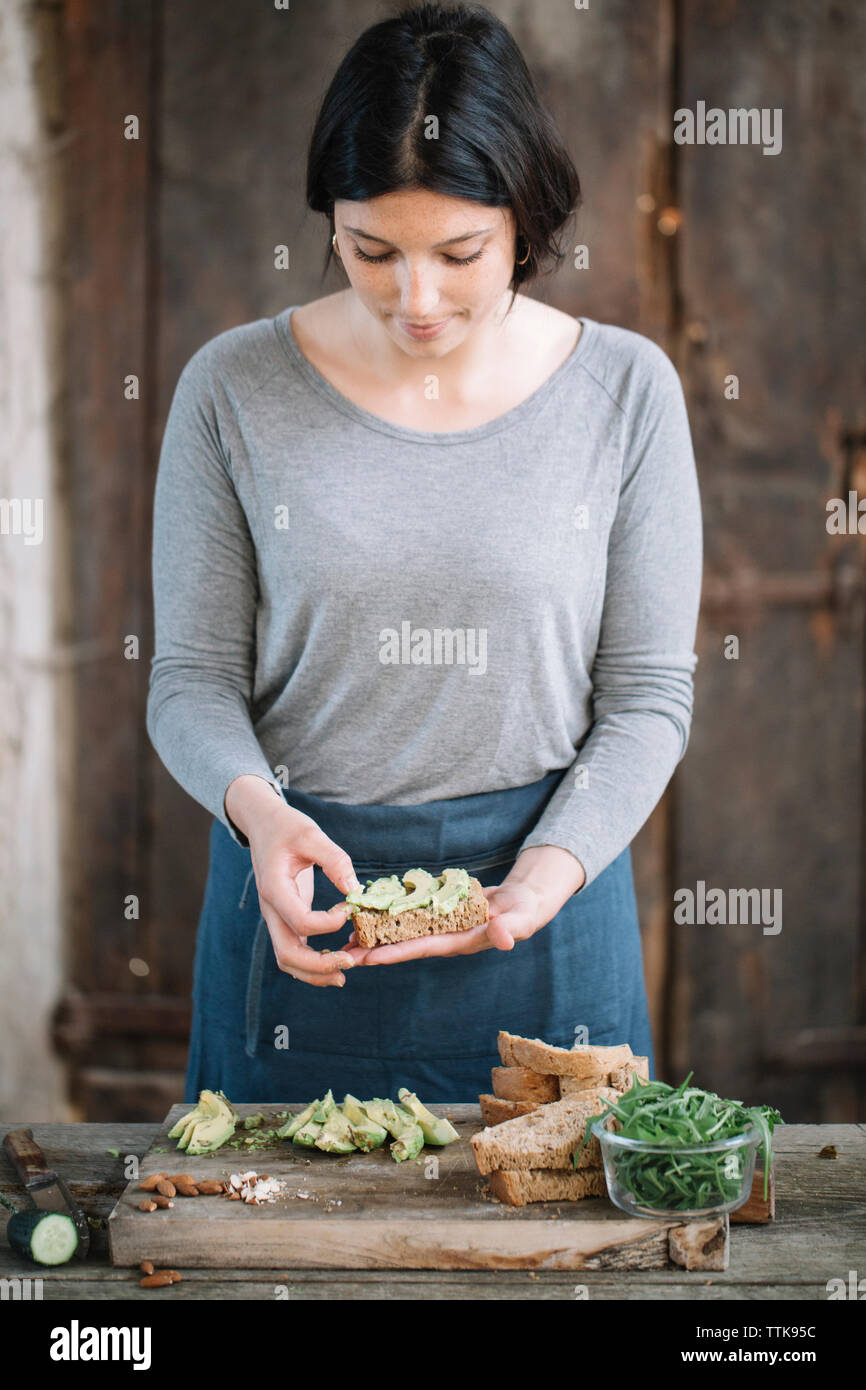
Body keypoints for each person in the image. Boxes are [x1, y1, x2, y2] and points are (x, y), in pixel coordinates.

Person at [147, 1, 702, 1103]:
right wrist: (261, 816)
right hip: (306, 891)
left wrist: (541, 877)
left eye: (459, 253)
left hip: (545, 900)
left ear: (525, 217)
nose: (414, 300)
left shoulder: (625, 391)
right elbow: (191, 682)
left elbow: (645, 696)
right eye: (370, 250)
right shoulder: (230, 387)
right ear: (328, 221)